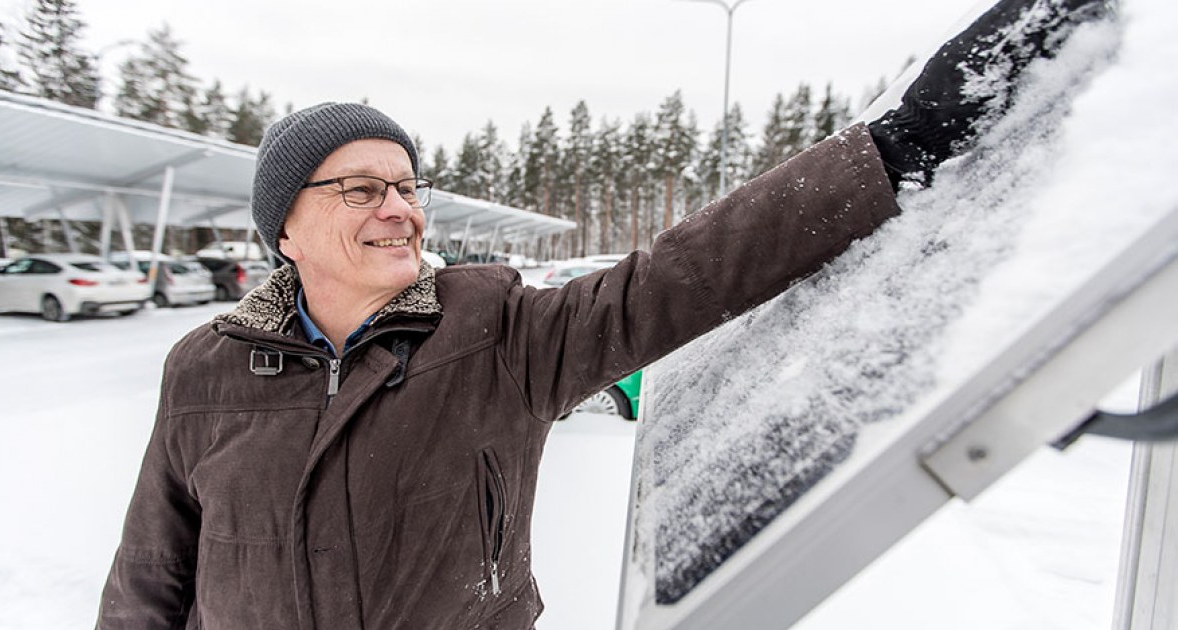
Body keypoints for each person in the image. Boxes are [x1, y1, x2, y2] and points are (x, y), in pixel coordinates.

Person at [96, 0, 1109, 627]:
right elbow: (152, 575)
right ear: (286, 229)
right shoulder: (205, 370)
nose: (399, 206)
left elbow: (683, 274)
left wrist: (899, 141)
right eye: (358, 188)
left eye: (406, 183)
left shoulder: (492, 333)